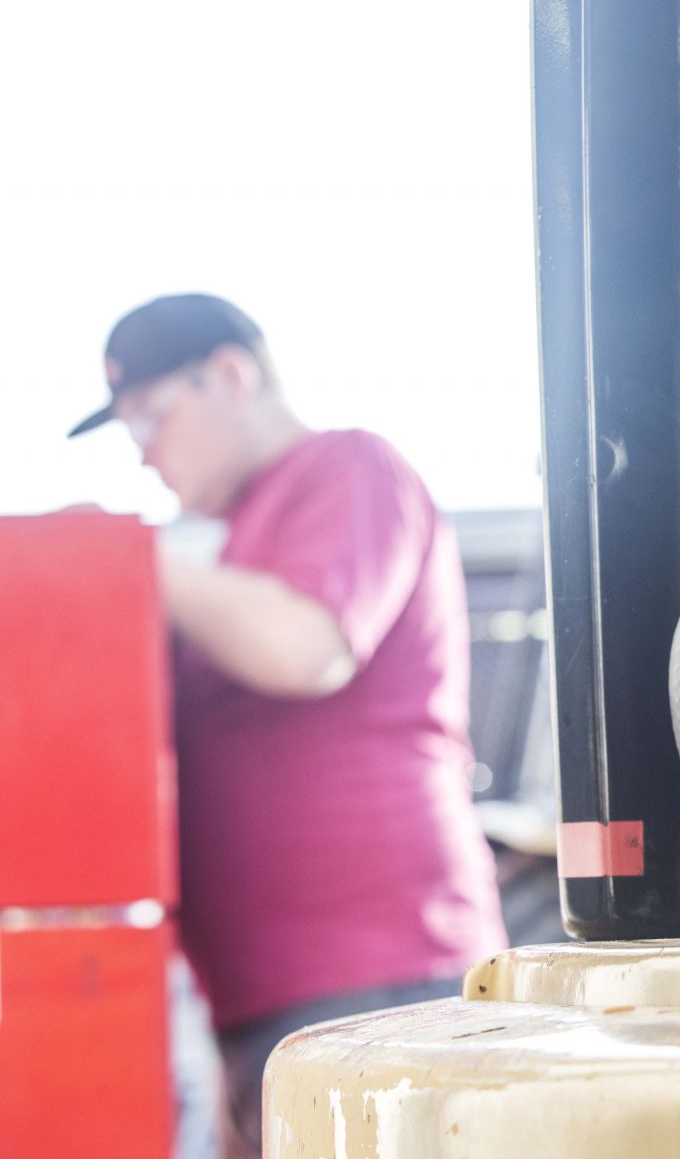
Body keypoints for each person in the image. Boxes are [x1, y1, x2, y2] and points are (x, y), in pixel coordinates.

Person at [69, 294, 507, 1157]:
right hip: (263, 1009)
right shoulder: (235, 549)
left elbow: (306, 647)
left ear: (231, 375)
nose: (144, 452)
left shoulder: (351, 468)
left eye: (150, 416)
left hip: (382, 987)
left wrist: (125, 553)